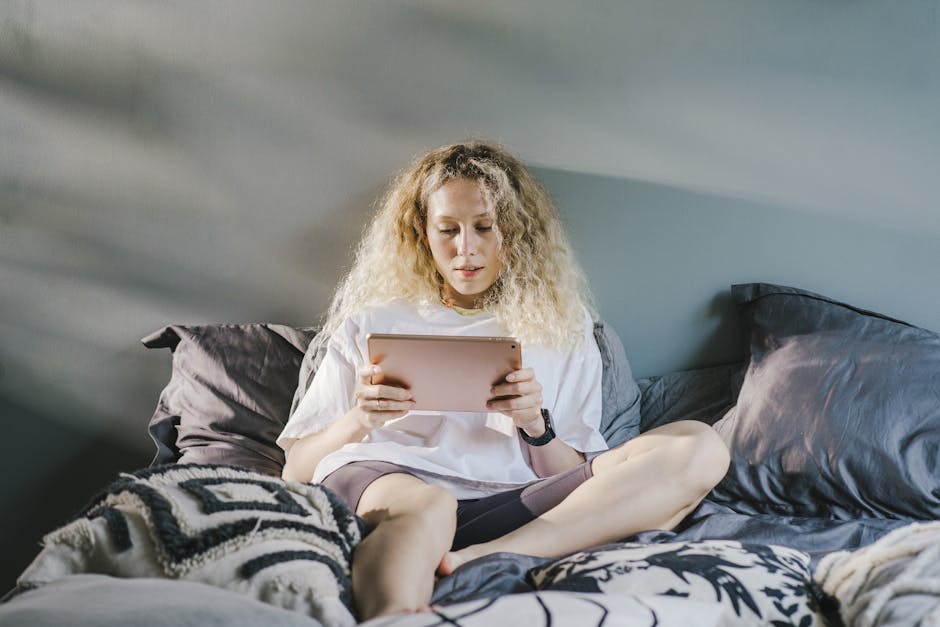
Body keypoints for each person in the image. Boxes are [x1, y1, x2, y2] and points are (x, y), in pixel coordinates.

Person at [278, 140, 730, 620]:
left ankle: (489, 555)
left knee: (701, 447)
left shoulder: (562, 324)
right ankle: (393, 615)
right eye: (447, 229)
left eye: (484, 228)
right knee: (429, 505)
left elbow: (570, 476)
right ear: (422, 233)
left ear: (513, 230)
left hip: (507, 502)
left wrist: (535, 425)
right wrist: (359, 419)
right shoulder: (371, 320)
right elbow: (295, 470)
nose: (465, 249)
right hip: (394, 482)